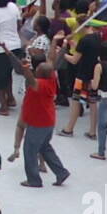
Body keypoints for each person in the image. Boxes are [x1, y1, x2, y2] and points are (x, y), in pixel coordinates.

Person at [12, 35, 71, 188]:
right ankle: (61, 172)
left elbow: (31, 80)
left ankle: (34, 179)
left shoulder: (40, 84)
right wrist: (62, 45)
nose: (35, 69)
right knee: (45, 147)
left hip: (38, 123)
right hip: (48, 121)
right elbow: (54, 60)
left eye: (36, 69)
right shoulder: (50, 80)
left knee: (30, 150)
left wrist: (25, 69)